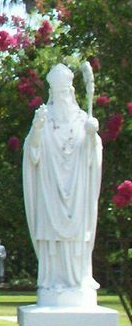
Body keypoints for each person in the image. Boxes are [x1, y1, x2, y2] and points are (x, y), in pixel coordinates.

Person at [22, 63, 103, 306]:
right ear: (52, 93)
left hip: (77, 190)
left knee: (77, 237)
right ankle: (53, 280)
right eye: (57, 93)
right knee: (52, 238)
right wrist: (37, 130)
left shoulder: (83, 120)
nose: (62, 97)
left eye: (65, 91)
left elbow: (92, 157)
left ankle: (78, 280)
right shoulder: (44, 119)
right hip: (51, 191)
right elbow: (33, 154)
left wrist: (92, 135)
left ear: (72, 92)